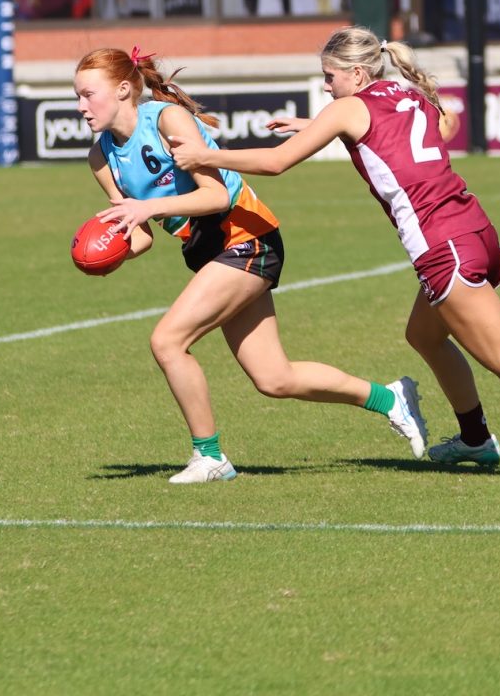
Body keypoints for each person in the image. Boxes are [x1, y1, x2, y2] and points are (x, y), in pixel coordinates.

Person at [167, 27, 500, 478]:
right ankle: (476, 439)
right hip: (475, 230)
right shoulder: (405, 93)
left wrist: (204, 156)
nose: (326, 88)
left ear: (357, 74)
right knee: (423, 335)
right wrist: (320, 124)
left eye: (329, 78)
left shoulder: (347, 109)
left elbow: (275, 163)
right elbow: (445, 125)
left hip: (443, 247)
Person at [76, 45, 427, 484]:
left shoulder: (166, 120)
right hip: (207, 253)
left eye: (89, 95)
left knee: (168, 341)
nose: (81, 107)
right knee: (274, 378)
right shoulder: (101, 157)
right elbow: (140, 235)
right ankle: (389, 398)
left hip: (246, 236)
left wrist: (145, 211)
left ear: (124, 89)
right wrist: (111, 254)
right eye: (78, 96)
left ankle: (210, 457)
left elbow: (216, 196)